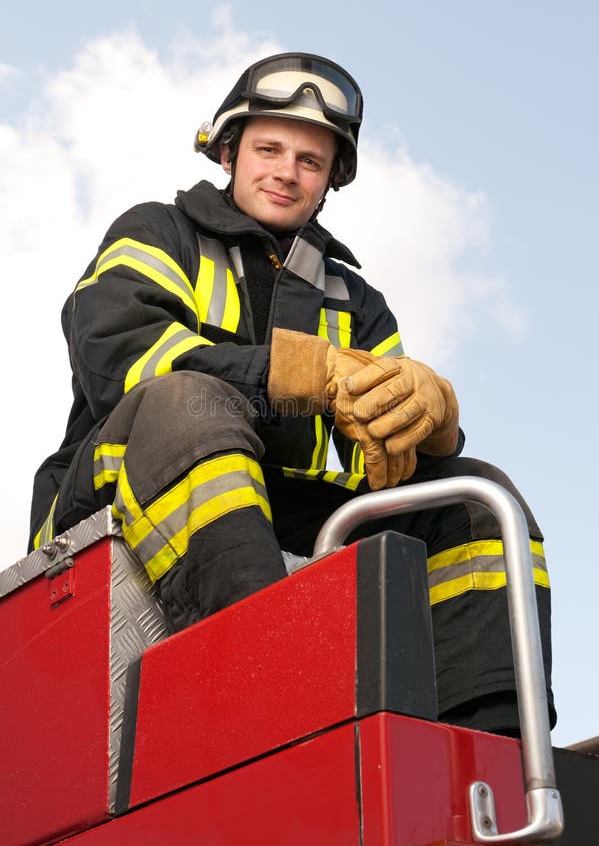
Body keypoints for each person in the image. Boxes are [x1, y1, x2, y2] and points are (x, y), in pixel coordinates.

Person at [29, 52, 554, 735]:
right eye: (269, 149)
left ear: (331, 179)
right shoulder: (156, 231)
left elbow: (383, 459)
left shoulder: (355, 300)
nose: (286, 171)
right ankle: (274, 705)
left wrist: (433, 424)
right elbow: (119, 355)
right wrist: (298, 375)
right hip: (116, 492)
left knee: (471, 498)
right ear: (228, 152)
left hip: (274, 512)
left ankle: (491, 745)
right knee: (186, 404)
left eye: (309, 160)